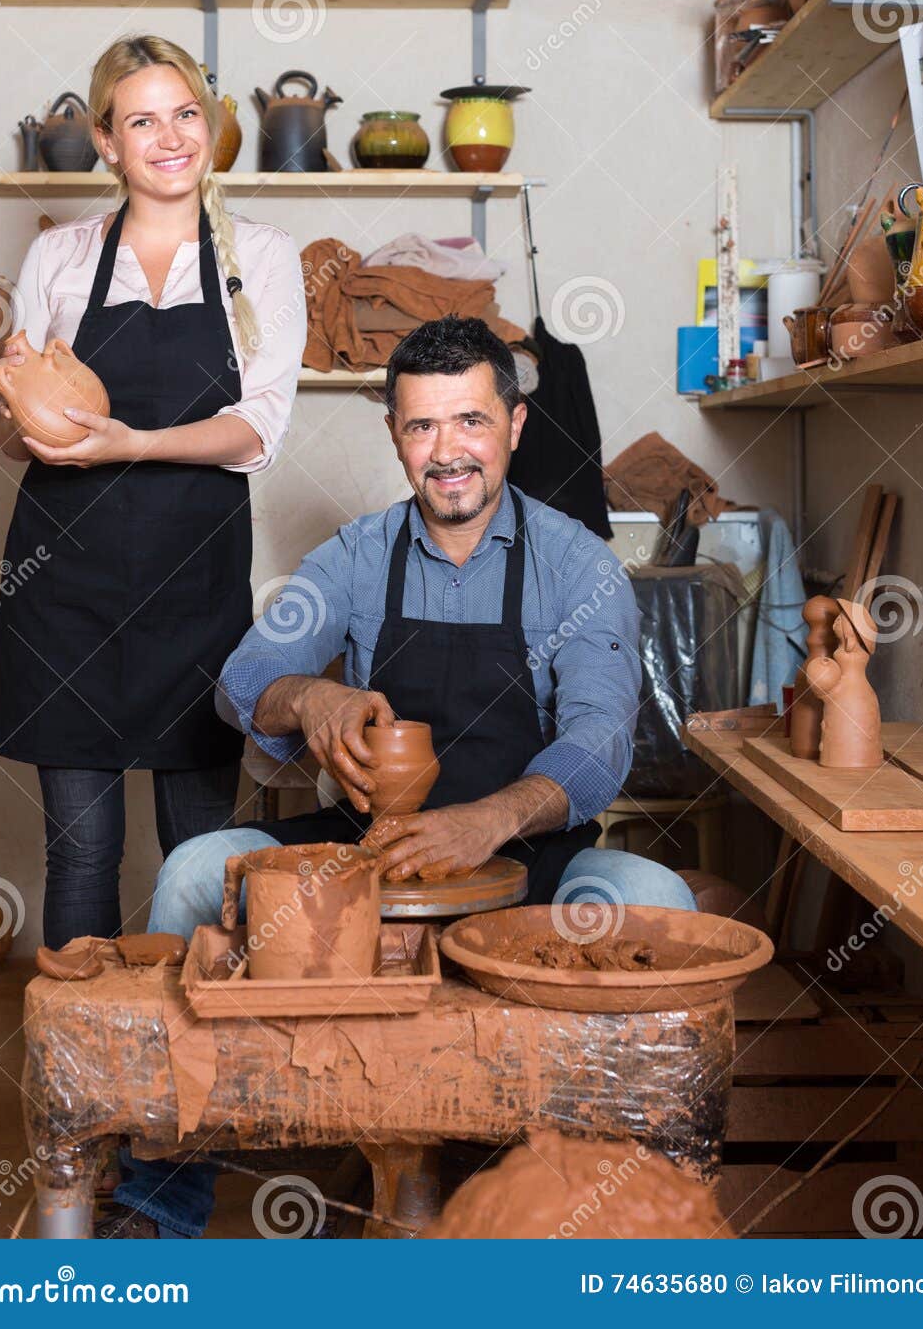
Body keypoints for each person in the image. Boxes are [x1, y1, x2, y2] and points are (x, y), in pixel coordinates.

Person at [100, 315, 694, 1239]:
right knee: (190, 871)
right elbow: (242, 680)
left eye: (469, 422)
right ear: (394, 435)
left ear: (515, 427)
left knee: (651, 891)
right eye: (422, 427)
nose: (446, 452)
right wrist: (310, 698)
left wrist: (489, 820)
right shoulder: (354, 554)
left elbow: (597, 741)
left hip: (528, 865)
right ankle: (156, 1202)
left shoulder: (578, 564)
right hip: (364, 860)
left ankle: (621, 1204)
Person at [0, 35, 306, 950]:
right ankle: (81, 1076)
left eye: (185, 114)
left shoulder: (261, 255)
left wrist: (131, 441)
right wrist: (17, 402)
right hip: (63, 589)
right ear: (105, 140)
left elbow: (259, 428)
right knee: (81, 854)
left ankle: (198, 1066)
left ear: (209, 126)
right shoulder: (60, 259)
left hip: (196, 593)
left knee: (199, 855)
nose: (168, 137)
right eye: (141, 120)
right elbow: (13, 437)